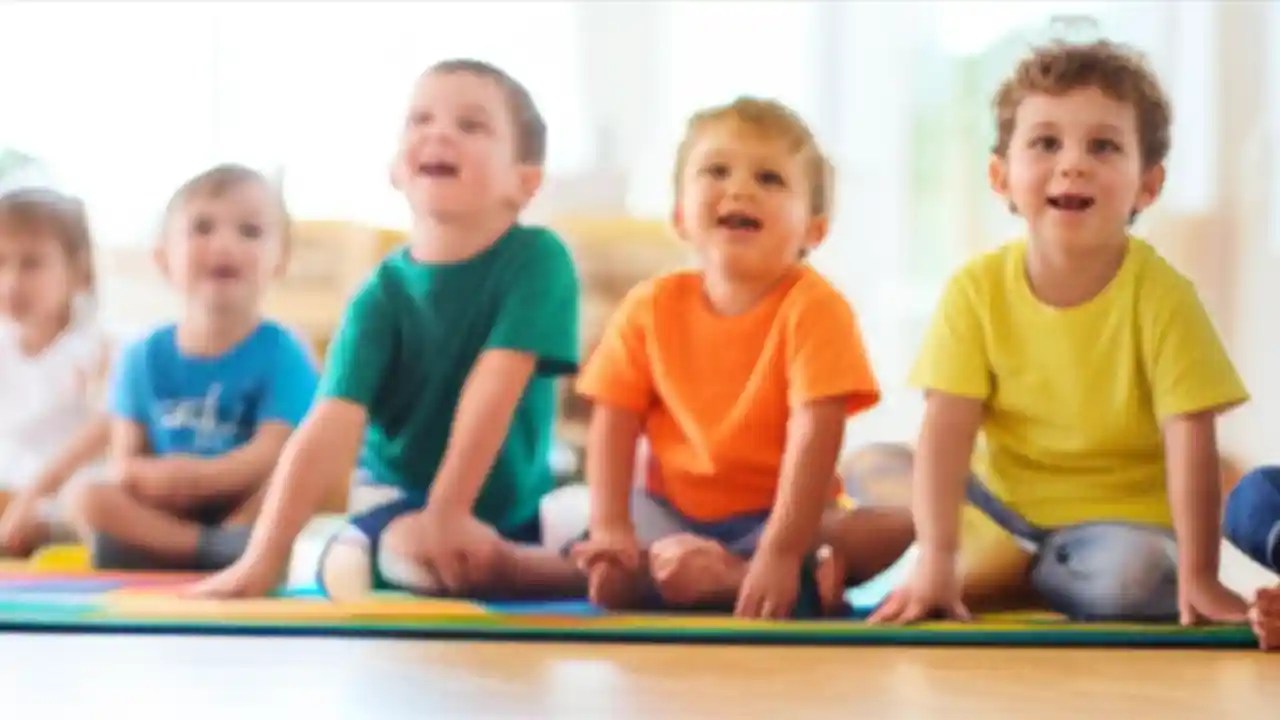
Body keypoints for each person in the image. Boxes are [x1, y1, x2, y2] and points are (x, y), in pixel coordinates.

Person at [870, 40, 1250, 626]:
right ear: (1001, 176)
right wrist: (939, 556)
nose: (1073, 163)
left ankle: (1012, 574)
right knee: (869, 465)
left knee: (1134, 581)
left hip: (1118, 525)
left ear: (1147, 186)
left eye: (1103, 146)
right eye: (1046, 142)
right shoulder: (975, 289)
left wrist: (1201, 577)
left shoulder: (1163, 296)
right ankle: (994, 563)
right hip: (1001, 507)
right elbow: (946, 431)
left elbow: (1190, 438)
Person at [190, 59, 585, 601]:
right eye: (419, 120)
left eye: (471, 125)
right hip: (402, 503)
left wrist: (452, 512)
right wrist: (262, 560)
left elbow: (496, 385)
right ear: (396, 169)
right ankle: (519, 570)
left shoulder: (541, 260)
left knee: (614, 535)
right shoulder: (378, 296)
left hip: (524, 504)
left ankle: (512, 563)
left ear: (525, 182)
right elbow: (329, 425)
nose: (438, 133)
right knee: (413, 553)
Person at [572, 97, 915, 619]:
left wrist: (781, 550)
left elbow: (817, 432)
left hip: (785, 519)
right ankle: (752, 584)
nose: (739, 189)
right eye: (716, 171)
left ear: (812, 231)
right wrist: (612, 528)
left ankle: (746, 576)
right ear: (681, 216)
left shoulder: (816, 307)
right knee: (604, 559)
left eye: (770, 179)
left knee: (898, 527)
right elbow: (613, 419)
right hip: (670, 514)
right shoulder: (650, 306)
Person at [68, 163, 318, 571]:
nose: (224, 245)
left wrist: (201, 476)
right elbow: (126, 460)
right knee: (86, 495)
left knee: (298, 475)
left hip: (245, 506)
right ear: (163, 258)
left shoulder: (285, 351)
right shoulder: (140, 355)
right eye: (202, 228)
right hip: (164, 506)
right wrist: (161, 480)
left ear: (281, 260)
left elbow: (273, 450)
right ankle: (204, 550)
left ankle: (181, 548)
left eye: (250, 232)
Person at [0, 187, 112, 557]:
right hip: (8, 484)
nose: (11, 282)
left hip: (65, 493)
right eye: (0, 261)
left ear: (78, 272)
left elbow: (109, 431)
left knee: (84, 507)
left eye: (31, 263)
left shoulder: (98, 349)